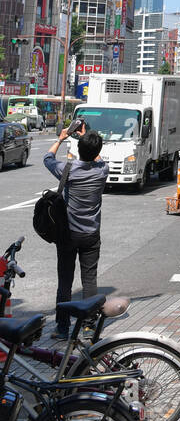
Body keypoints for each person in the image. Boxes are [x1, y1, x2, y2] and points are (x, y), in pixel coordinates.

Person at [44, 122, 109, 341]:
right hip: (91, 234)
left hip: (68, 235)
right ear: (98, 151)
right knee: (89, 279)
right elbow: (97, 158)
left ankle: (62, 328)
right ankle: (89, 326)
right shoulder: (102, 171)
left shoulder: (68, 170)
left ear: (78, 149)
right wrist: (87, 138)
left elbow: (47, 159)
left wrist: (62, 138)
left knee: (65, 281)